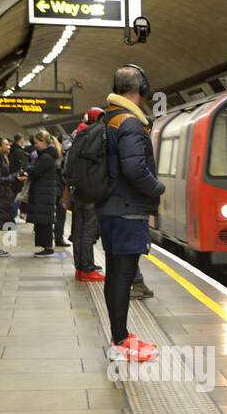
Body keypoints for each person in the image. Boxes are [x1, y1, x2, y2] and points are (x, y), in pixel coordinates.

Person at [97, 65, 164, 361]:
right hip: (128, 210)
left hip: (109, 209)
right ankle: (121, 342)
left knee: (114, 274)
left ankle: (118, 337)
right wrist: (157, 188)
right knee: (123, 277)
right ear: (142, 90)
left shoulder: (108, 117)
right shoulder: (131, 124)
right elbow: (135, 168)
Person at [69, 108, 104, 283]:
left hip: (78, 190)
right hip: (90, 190)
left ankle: (80, 268)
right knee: (88, 231)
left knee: (78, 230)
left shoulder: (79, 135)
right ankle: (88, 269)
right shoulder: (96, 135)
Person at [22, 130, 61, 256]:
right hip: (44, 191)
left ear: (44, 142)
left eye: (37, 142)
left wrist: (28, 168)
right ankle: (46, 247)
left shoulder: (46, 157)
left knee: (44, 220)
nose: (35, 145)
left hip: (43, 192)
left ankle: (48, 247)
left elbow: (34, 172)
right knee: (42, 219)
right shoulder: (46, 155)